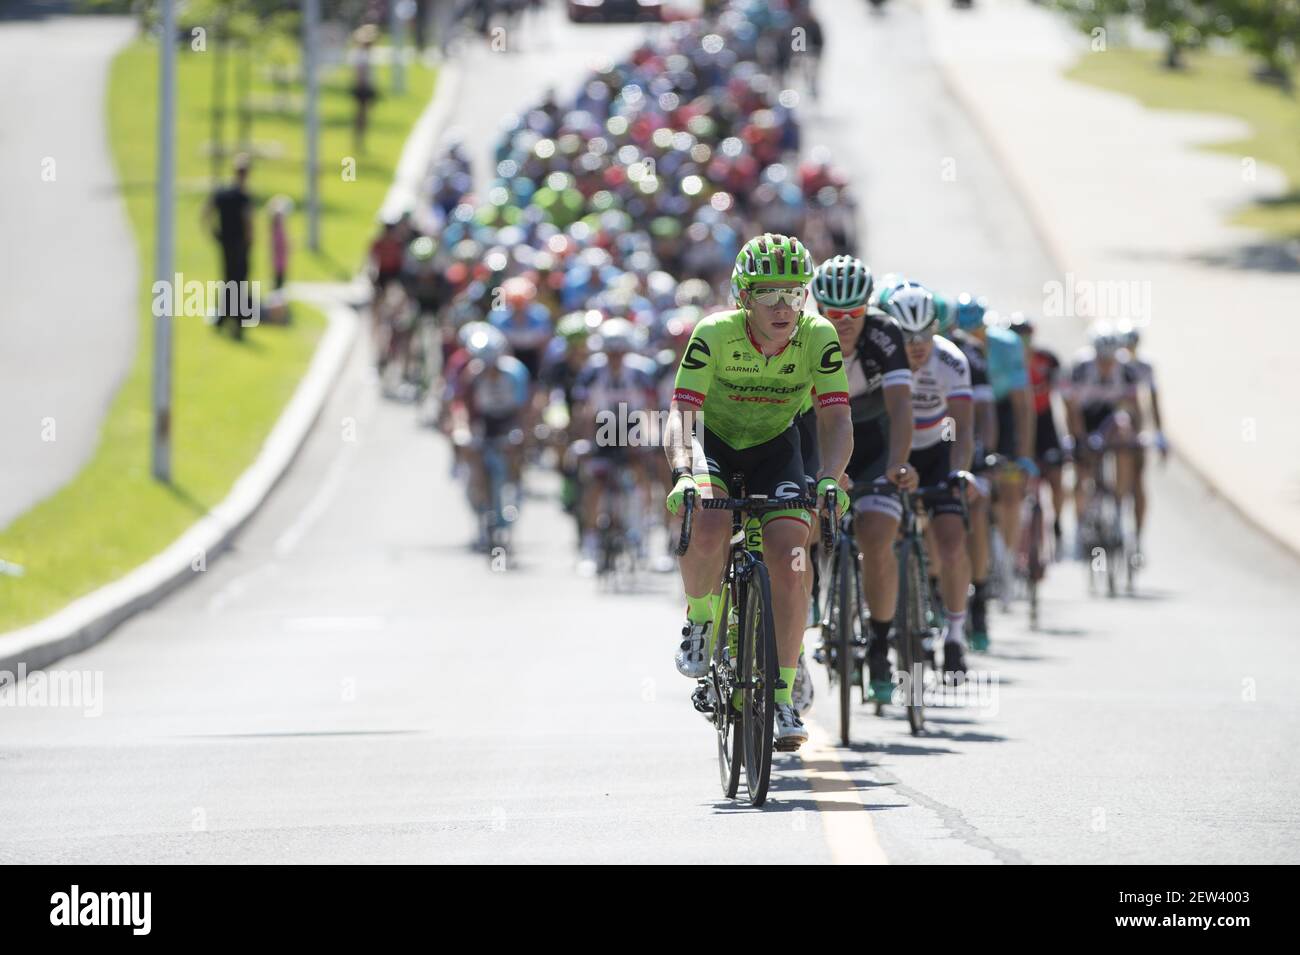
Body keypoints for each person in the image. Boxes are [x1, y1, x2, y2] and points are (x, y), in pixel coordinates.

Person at [664, 233, 853, 751]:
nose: (782, 307)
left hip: (776, 447)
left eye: (794, 294)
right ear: (742, 297)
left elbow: (836, 417)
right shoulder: (713, 334)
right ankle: (701, 621)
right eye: (768, 294)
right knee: (708, 519)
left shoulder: (819, 337)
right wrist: (683, 471)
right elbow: (683, 413)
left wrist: (832, 478)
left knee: (792, 556)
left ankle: (784, 692)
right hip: (715, 443)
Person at [809, 256, 916, 703]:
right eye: (834, 315)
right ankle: (810, 590)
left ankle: (877, 646)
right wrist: (829, 474)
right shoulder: (805, 336)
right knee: (802, 519)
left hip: (874, 440)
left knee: (877, 536)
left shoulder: (885, 333)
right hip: (821, 434)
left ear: (867, 308)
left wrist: (897, 465)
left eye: (853, 314)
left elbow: (901, 407)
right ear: (818, 310)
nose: (844, 323)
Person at [887, 284, 975, 675]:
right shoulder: (884, 359)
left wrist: (957, 469)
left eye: (924, 334)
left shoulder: (951, 361)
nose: (917, 345)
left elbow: (961, 425)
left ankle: (955, 635)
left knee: (952, 539)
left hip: (940, 447)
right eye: (907, 336)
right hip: (894, 448)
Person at [202, 153, 254, 338]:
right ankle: (237, 321)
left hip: (225, 243)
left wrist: (211, 232)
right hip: (238, 245)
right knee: (238, 282)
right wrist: (249, 242)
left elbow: (206, 211)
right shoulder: (242, 196)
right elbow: (248, 222)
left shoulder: (224, 193)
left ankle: (224, 317)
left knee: (227, 281)